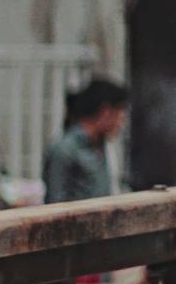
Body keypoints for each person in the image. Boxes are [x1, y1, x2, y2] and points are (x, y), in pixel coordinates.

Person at [43, 74, 128, 205]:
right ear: (106, 112)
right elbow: (55, 203)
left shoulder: (104, 147)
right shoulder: (65, 150)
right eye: (120, 117)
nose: (121, 124)